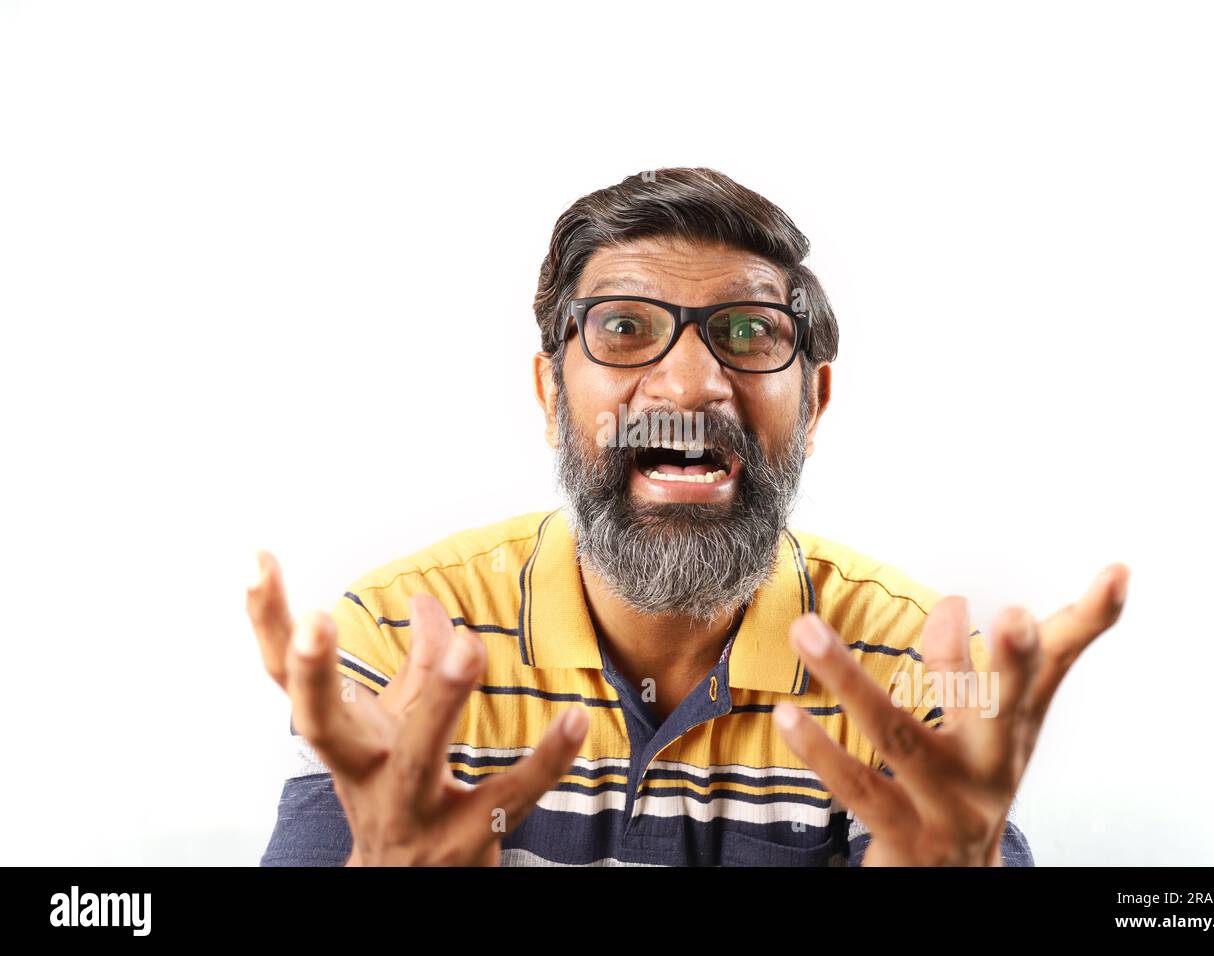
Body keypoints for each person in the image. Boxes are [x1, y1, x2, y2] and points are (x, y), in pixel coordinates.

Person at [247, 167, 1129, 866]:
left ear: (813, 406)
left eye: (749, 333)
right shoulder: (396, 641)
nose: (692, 383)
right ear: (551, 396)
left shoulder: (922, 668)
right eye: (625, 329)